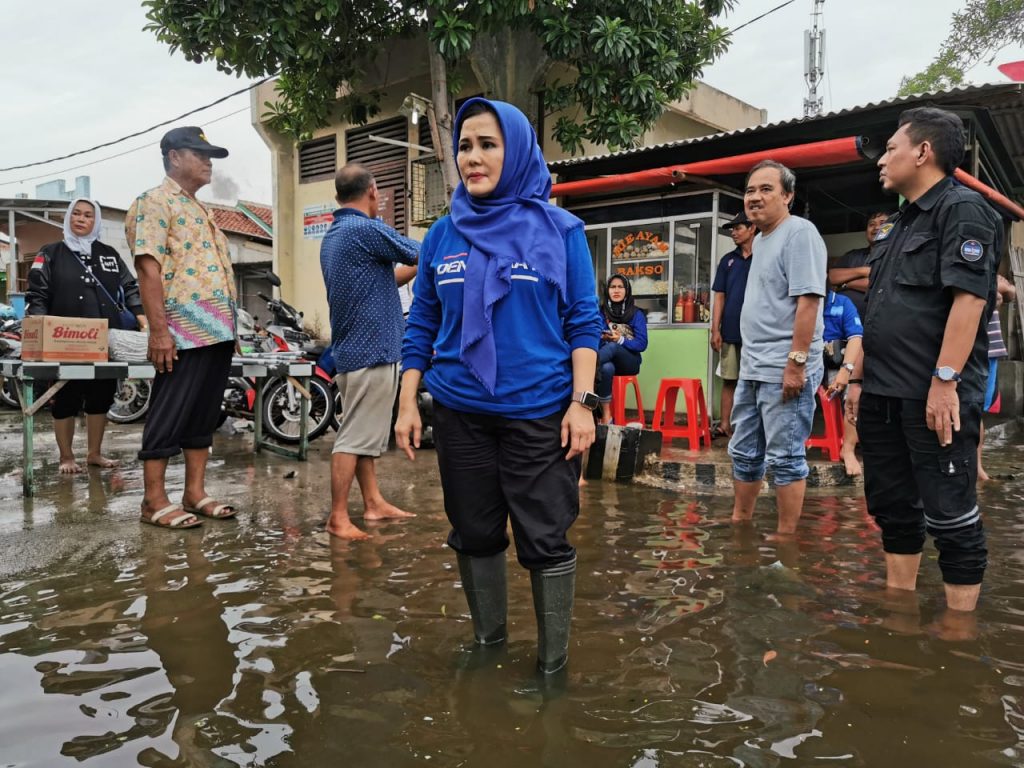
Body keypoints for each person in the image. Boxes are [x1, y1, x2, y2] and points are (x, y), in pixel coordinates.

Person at [395, 97, 602, 675]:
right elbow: (423, 323)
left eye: (488, 144)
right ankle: (488, 648)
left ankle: (551, 668)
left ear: (515, 151)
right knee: (475, 533)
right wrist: (409, 401)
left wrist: (582, 403)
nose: (473, 158)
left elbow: (584, 322)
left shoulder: (562, 231)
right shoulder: (441, 235)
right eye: (464, 145)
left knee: (545, 539)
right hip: (459, 411)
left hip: (540, 412)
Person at [846, 107, 1002, 613]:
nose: (882, 159)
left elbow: (970, 300)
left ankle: (958, 635)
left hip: (933, 395)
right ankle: (900, 612)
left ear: (923, 151)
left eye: (892, 148)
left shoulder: (964, 210)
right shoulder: (897, 223)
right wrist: (857, 381)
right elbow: (885, 310)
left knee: (951, 515)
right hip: (885, 394)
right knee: (893, 510)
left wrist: (944, 381)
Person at [126, 126, 239, 530]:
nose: (208, 161)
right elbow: (147, 267)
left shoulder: (201, 209)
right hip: (181, 329)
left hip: (217, 329)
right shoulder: (154, 202)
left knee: (203, 413)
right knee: (169, 410)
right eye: (200, 153)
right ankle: (153, 499)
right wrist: (159, 331)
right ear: (174, 156)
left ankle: (194, 492)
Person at [319, 163, 420, 541]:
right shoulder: (366, 228)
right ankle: (339, 517)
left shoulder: (337, 234)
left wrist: (415, 269)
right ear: (373, 191)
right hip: (370, 350)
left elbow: (387, 277)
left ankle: (373, 503)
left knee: (363, 435)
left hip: (352, 350)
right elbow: (421, 251)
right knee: (353, 438)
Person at [728, 160, 827, 535]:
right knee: (743, 452)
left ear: (787, 195)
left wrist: (796, 364)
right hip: (754, 364)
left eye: (766, 189)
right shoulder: (763, 238)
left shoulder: (799, 233)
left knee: (785, 457)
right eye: (750, 190)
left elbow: (808, 302)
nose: (755, 197)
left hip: (783, 366)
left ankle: (786, 540)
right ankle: (740, 524)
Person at [26, 198, 147, 474]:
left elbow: (129, 287)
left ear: (96, 221)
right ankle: (66, 457)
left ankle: (94, 454)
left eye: (88, 215)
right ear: (68, 218)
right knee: (66, 397)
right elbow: (37, 292)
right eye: (76, 214)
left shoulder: (109, 254)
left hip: (104, 339)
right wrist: (39, 325)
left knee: (101, 396)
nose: (81, 219)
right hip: (64, 339)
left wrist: (142, 318)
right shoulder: (51, 252)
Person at [711, 211, 756, 436]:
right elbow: (719, 296)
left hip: (758, 333)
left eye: (738, 228)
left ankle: (752, 429)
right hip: (730, 331)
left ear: (752, 228)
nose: (733, 233)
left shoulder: (765, 255)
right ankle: (725, 424)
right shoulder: (728, 260)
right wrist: (714, 329)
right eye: (732, 229)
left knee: (756, 382)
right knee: (729, 380)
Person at [820, 287, 864, 476]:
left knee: (852, 394)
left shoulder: (841, 302)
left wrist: (846, 371)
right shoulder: (794, 301)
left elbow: (856, 337)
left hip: (834, 362)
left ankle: (848, 449)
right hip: (802, 362)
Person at [596, 274, 648, 424]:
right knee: (606, 368)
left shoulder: (636, 314)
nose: (616, 290)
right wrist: (602, 338)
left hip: (629, 362)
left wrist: (620, 339)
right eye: (612, 287)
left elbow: (642, 344)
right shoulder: (601, 312)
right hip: (606, 360)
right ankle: (606, 415)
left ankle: (585, 367)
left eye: (620, 287)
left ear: (627, 290)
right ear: (607, 290)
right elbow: (594, 338)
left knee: (613, 346)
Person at [978, 274, 1015, 481]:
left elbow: (1008, 292)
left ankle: (977, 467)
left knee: (976, 412)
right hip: (973, 348)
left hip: (990, 351)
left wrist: (997, 291)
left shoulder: (989, 269)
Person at [828, 211, 889, 319]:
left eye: (882, 223)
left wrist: (847, 284)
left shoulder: (894, 255)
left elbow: (880, 286)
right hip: (841, 322)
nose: (876, 227)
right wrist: (863, 271)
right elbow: (832, 277)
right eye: (871, 224)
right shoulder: (853, 255)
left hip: (875, 323)